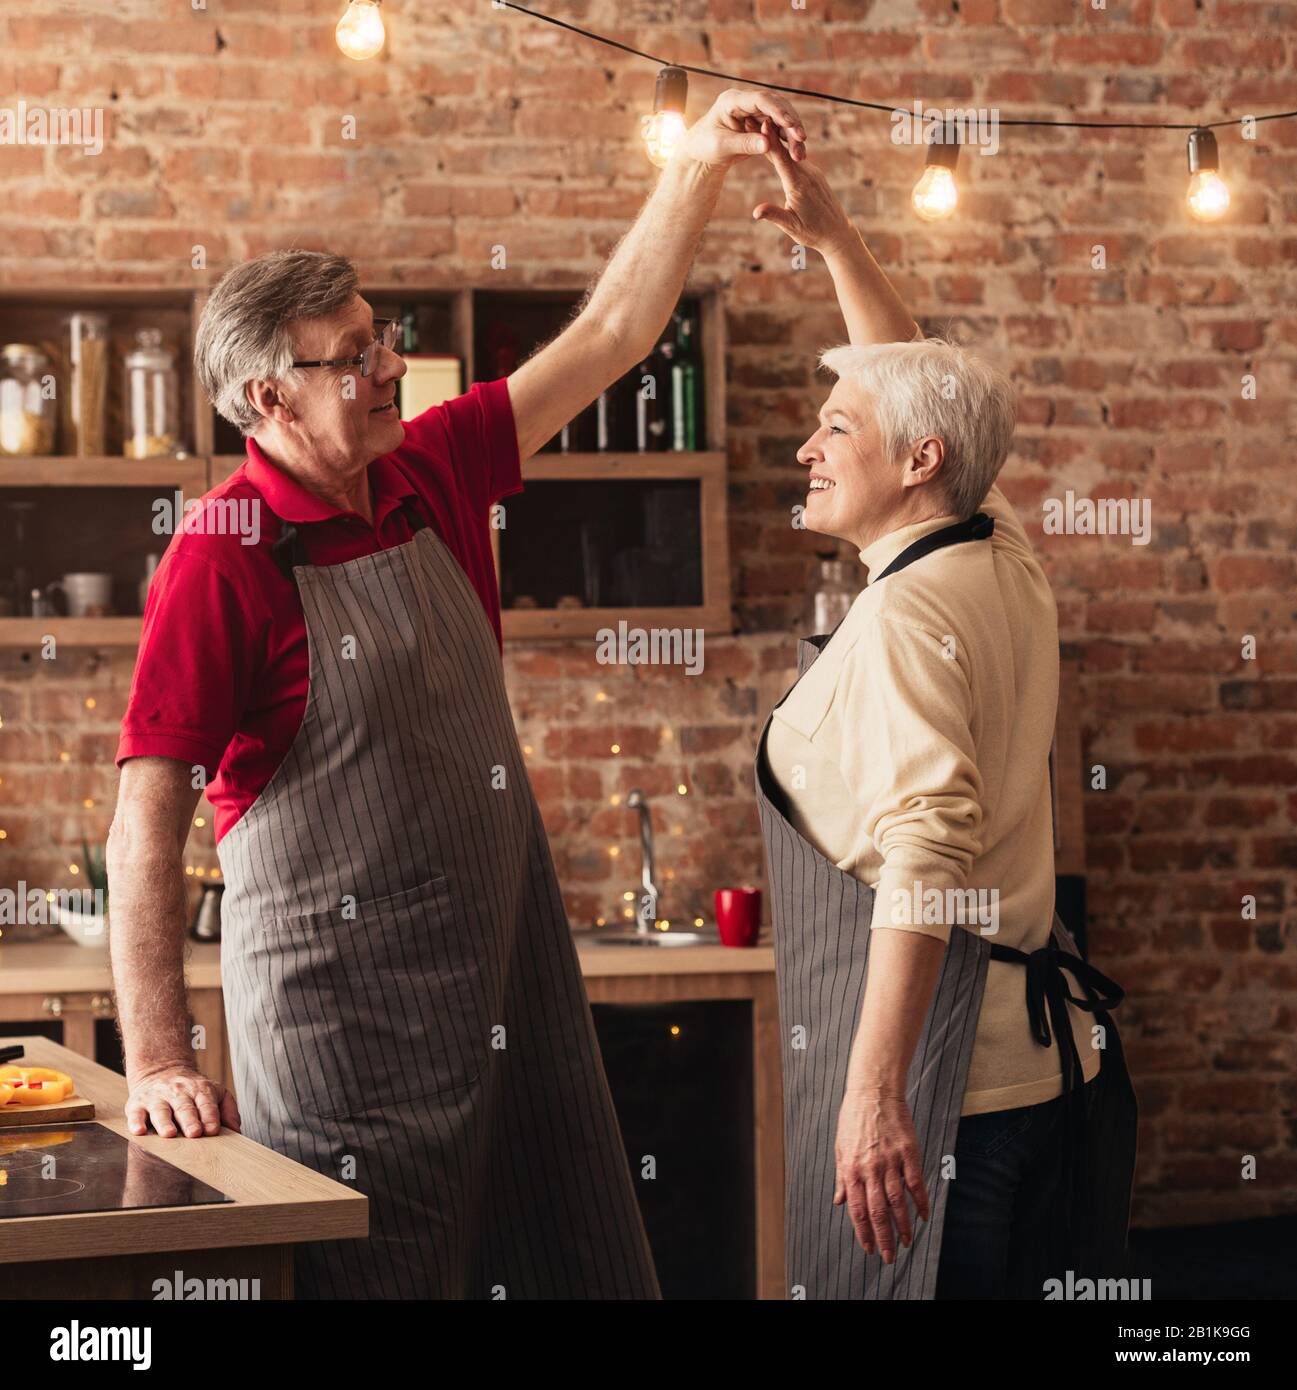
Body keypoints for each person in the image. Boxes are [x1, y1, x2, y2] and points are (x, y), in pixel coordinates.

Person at [106, 88, 814, 1300]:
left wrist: (694, 165)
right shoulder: (220, 555)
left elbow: (608, 338)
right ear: (269, 401)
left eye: (383, 337)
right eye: (357, 356)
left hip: (502, 991)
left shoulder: (429, 469)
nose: (391, 367)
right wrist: (160, 1056)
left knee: (560, 1259)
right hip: (340, 1044)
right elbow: (144, 822)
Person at [750, 124, 1138, 1299]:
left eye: (835, 430)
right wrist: (834, 240)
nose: (808, 445)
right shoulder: (993, 549)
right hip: (1060, 1070)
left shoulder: (911, 611)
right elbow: (915, 382)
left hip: (949, 1101)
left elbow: (927, 849)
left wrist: (871, 1098)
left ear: (917, 464)